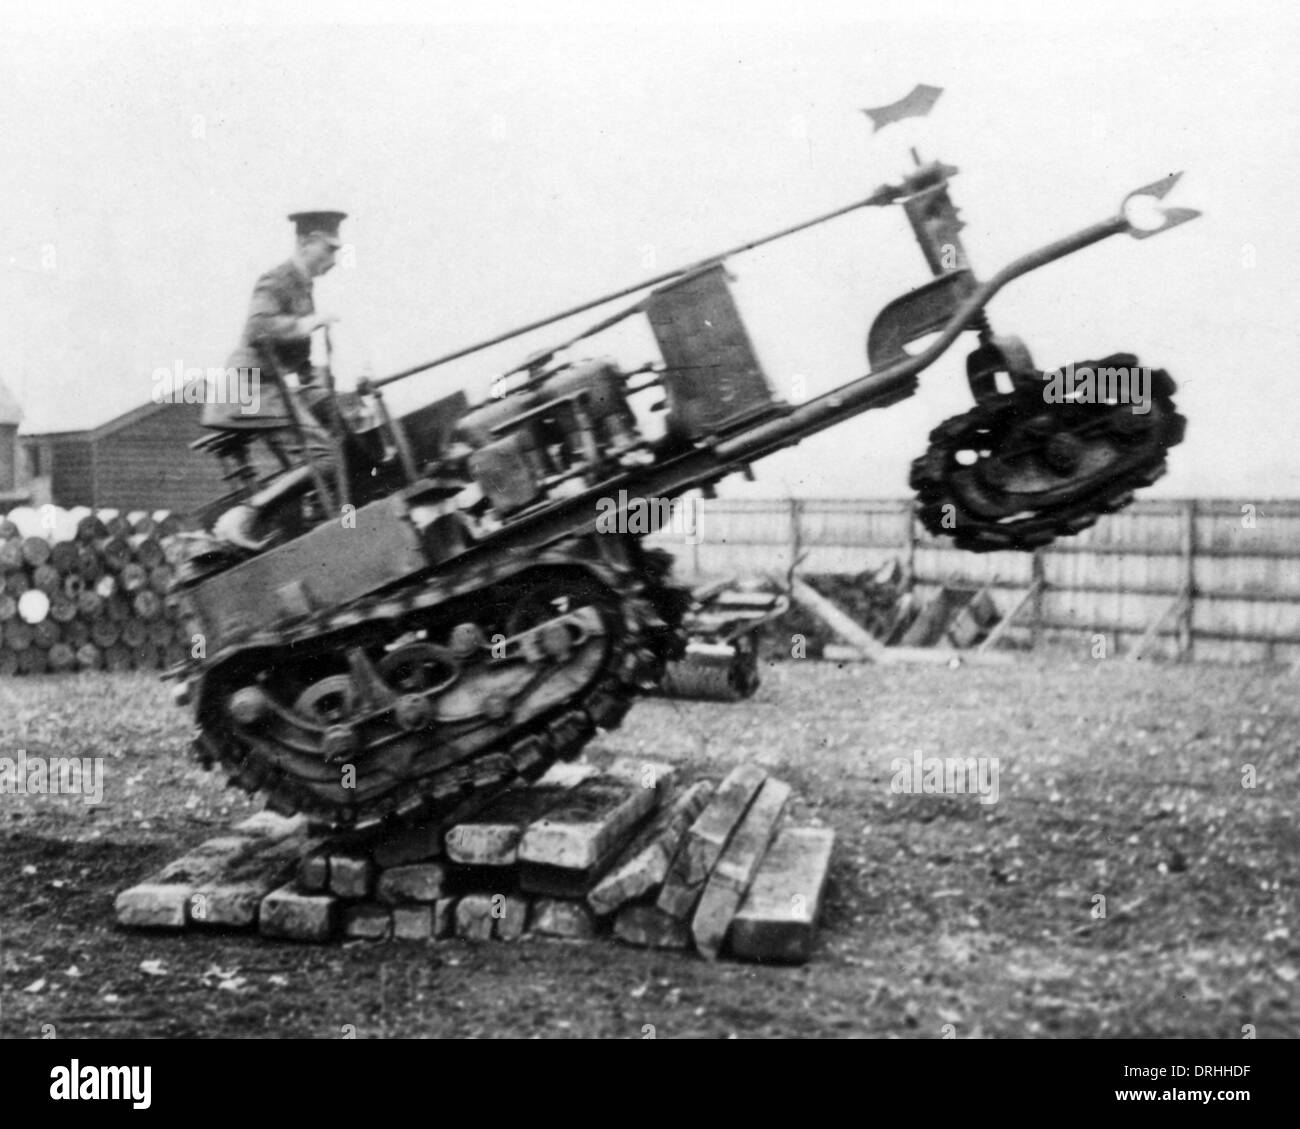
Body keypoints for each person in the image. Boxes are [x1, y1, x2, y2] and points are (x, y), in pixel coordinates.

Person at [204, 210, 347, 550]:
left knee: (328, 452)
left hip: (266, 386)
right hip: (249, 385)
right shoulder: (276, 280)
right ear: (307, 242)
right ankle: (243, 517)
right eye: (330, 249)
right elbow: (258, 328)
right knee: (324, 459)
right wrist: (305, 324)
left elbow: (302, 362)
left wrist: (322, 394)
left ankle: (286, 526)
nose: (335, 259)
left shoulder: (303, 288)